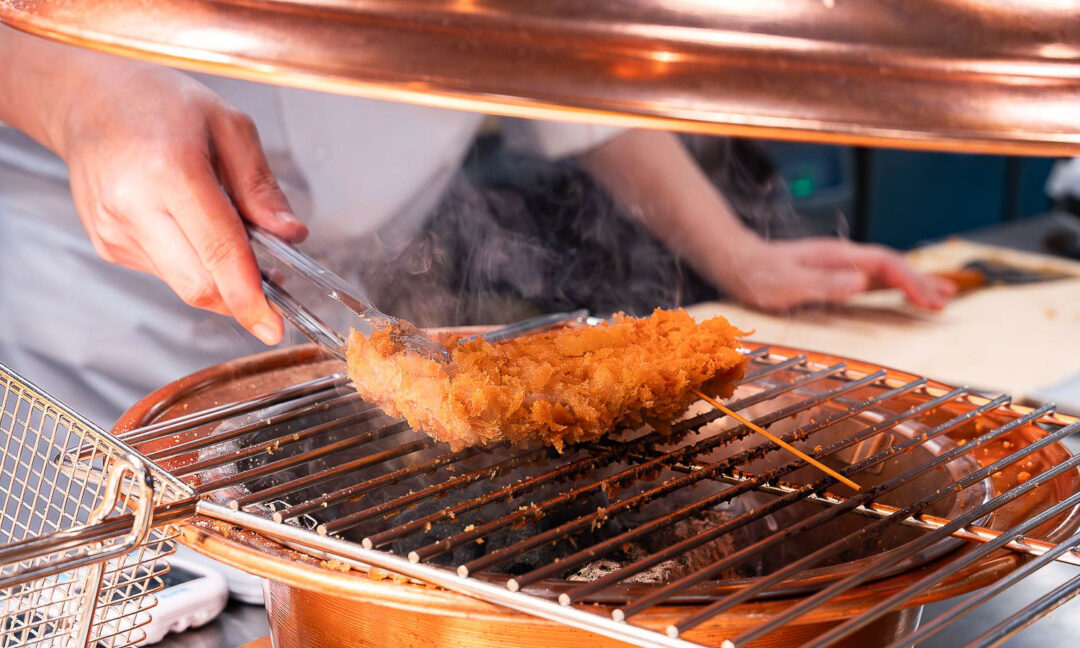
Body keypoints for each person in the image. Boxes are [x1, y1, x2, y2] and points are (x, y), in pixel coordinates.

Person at [0, 27, 954, 425]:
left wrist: (738, 252)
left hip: (350, 326)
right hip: (95, 323)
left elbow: (562, 61)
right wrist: (75, 94)